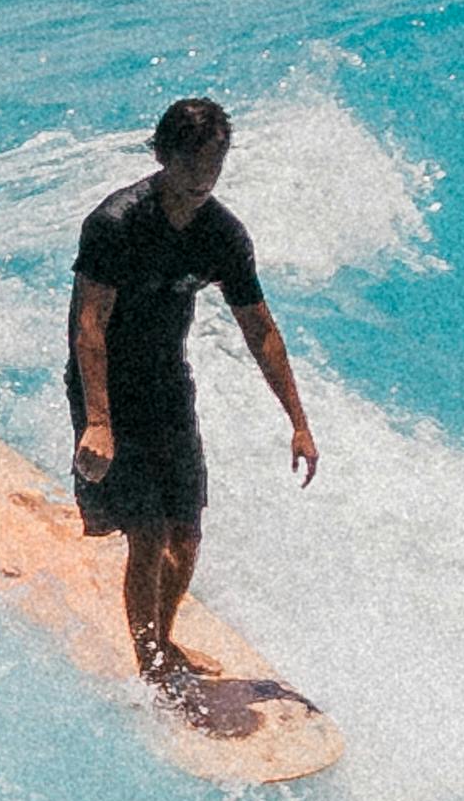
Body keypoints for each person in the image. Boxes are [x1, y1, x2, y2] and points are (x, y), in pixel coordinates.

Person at [67, 97, 316, 686]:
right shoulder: (116, 224)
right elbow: (89, 325)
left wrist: (298, 422)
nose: (205, 177)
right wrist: (97, 422)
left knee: (187, 529)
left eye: (217, 162)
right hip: (104, 382)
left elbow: (260, 329)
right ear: (162, 155)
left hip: (166, 383)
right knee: (147, 531)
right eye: (194, 162)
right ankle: (149, 656)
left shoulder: (222, 236)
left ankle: (165, 634)